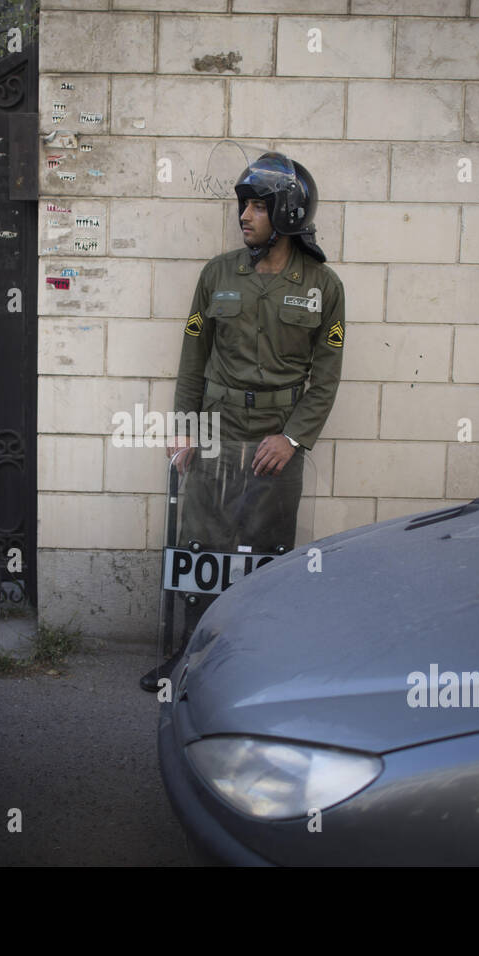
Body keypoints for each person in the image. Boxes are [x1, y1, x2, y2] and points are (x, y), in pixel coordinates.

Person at [139, 152, 346, 691]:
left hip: (275, 439)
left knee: (266, 553)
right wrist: (185, 427)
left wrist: (293, 438)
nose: (245, 215)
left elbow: (325, 378)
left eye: (257, 206)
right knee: (201, 549)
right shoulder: (217, 275)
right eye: (243, 205)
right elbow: (193, 359)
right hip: (216, 430)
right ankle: (188, 656)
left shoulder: (323, 286)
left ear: (288, 213)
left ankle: (253, 662)